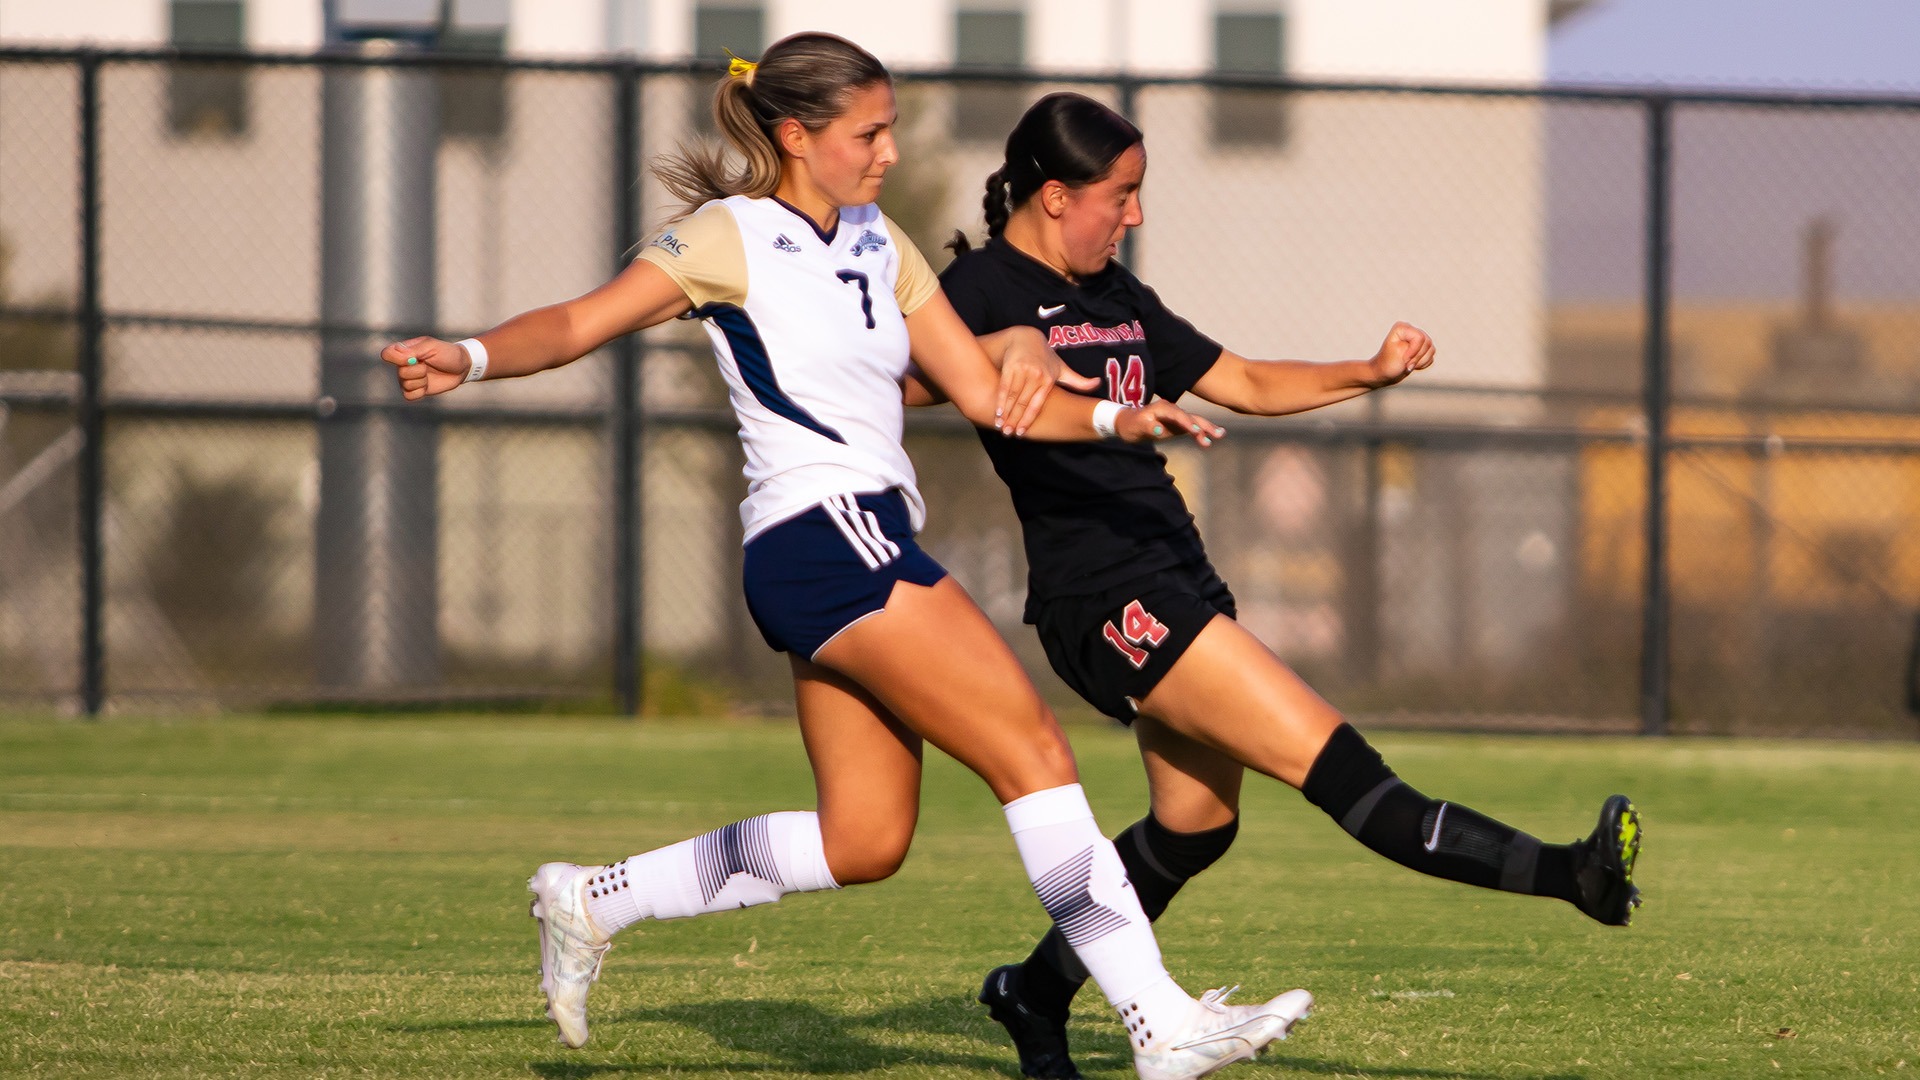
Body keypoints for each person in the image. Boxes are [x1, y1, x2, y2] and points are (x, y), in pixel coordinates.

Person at [382, 36, 1312, 1080]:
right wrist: (465, 356)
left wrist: (1110, 417)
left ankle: (592, 899)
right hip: (825, 537)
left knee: (862, 840)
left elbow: (980, 394)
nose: (886, 152)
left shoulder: (882, 241)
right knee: (1034, 757)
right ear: (795, 136)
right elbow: (577, 324)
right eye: (867, 133)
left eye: (890, 130)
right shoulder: (726, 237)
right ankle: (1161, 1026)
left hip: (850, 545)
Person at [924, 92, 1644, 1080]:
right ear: (1055, 196)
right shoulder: (976, 293)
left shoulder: (1114, 294)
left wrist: (1370, 370)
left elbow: (1249, 380)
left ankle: (1033, 992)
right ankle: (1574, 875)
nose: (1135, 216)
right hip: (1107, 601)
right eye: (1122, 195)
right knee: (1344, 772)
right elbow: (901, 381)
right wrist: (1007, 352)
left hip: (1175, 574)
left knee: (1196, 826)